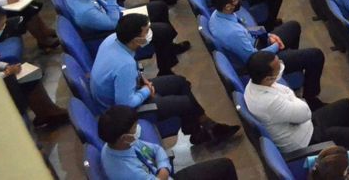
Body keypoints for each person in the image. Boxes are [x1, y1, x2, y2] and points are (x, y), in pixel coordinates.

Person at [91, 13, 240, 145]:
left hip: (131, 86)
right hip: (119, 112)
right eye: (146, 31)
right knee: (184, 103)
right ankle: (204, 131)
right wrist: (146, 91)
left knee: (180, 82)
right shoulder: (124, 65)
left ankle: (203, 128)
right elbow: (125, 103)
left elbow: (128, 68)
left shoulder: (114, 39)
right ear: (136, 40)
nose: (150, 33)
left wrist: (141, 78)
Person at [244, 52, 349, 180]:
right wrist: (292, 97)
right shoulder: (269, 102)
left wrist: (291, 98)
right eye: (278, 68)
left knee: (346, 105)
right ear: (268, 78)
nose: (281, 67)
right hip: (305, 140)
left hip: (302, 125)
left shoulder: (253, 85)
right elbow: (305, 111)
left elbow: (294, 101)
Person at [208, 0, 326, 102]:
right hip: (260, 64)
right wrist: (276, 45)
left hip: (255, 44)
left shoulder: (218, 15)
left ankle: (293, 67)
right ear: (228, 6)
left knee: (294, 26)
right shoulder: (232, 34)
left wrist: (268, 35)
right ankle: (311, 98)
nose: (240, 0)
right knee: (316, 56)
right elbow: (255, 58)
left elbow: (245, 29)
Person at [63, 0, 189, 74]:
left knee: (160, 7)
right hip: (113, 33)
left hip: (116, 16)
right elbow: (113, 23)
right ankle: (165, 70)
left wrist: (126, 11)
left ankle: (169, 50)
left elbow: (106, 7)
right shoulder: (85, 11)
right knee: (163, 31)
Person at [0, 5, 68, 130]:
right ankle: (47, 113)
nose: (2, 29)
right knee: (21, 82)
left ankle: (47, 112)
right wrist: (6, 73)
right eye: (0, 27)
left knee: (27, 74)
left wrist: (6, 66)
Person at [97, 105, 238, 179]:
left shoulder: (121, 143)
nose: (137, 129)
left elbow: (156, 150)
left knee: (224, 165)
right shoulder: (127, 172)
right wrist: (163, 171)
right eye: (134, 128)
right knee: (225, 167)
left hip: (162, 174)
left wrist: (163, 169)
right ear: (124, 137)